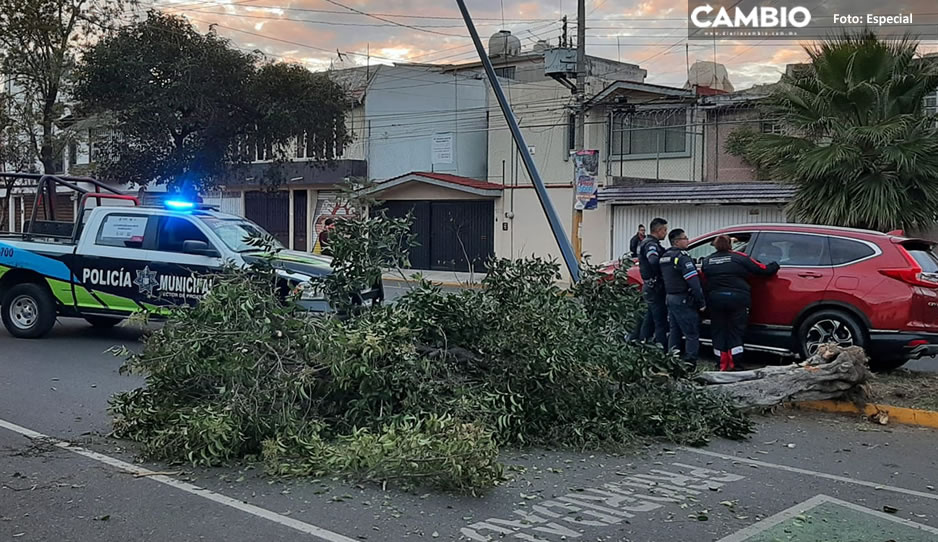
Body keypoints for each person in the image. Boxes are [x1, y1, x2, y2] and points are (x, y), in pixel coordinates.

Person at [702, 235, 780, 371]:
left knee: (718, 331)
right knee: (735, 331)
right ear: (730, 245)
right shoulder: (739, 258)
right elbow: (762, 270)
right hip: (738, 299)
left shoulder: (708, 260)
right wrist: (775, 264)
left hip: (715, 300)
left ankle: (720, 364)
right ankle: (734, 364)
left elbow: (704, 276)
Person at [660, 229, 706, 367]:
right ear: (676, 241)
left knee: (675, 331)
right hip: (683, 298)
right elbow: (693, 281)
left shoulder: (664, 257)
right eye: (685, 238)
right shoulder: (682, 257)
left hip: (670, 298)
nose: (687, 240)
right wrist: (701, 301)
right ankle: (690, 364)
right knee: (691, 333)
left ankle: (672, 360)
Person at [633, 218, 669, 348]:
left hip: (650, 286)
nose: (666, 233)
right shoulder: (651, 244)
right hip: (655, 287)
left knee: (648, 318)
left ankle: (642, 343)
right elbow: (653, 260)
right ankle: (660, 349)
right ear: (659, 230)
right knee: (659, 320)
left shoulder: (648, 242)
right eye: (665, 230)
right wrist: (664, 270)